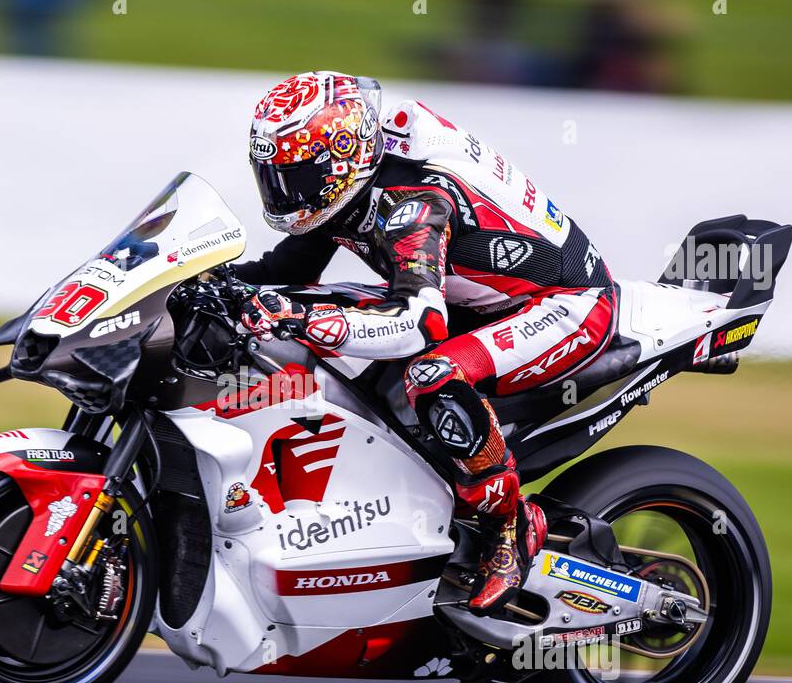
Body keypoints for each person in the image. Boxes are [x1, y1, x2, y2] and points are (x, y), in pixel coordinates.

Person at [232, 71, 616, 612]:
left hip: (563, 305)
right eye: (273, 176)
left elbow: (419, 323)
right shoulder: (344, 186)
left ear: (339, 159)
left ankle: (509, 527)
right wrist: (194, 281)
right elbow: (283, 270)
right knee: (317, 321)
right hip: (473, 302)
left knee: (430, 373)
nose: (283, 192)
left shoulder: (414, 202)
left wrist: (304, 317)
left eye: (294, 177)